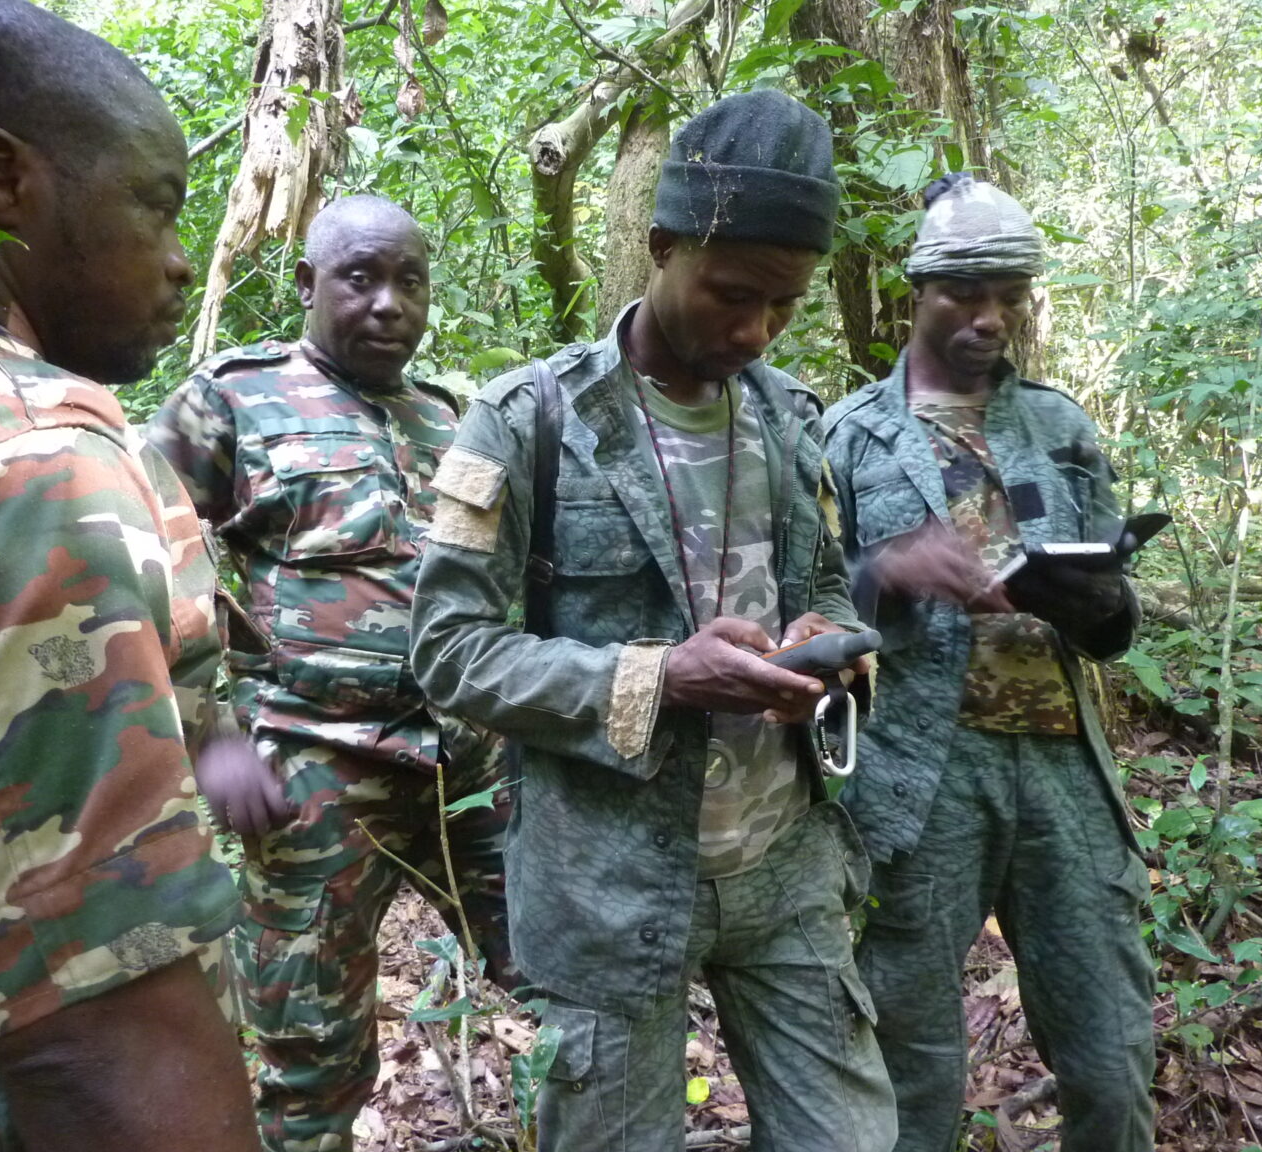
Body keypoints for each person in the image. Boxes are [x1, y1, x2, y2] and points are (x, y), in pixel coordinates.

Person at [409, 90, 897, 1152]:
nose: (754, 330)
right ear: (659, 244)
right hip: (605, 887)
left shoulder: (790, 416)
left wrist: (829, 649)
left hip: (785, 868)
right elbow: (447, 654)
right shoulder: (528, 419)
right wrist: (659, 678)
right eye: (731, 295)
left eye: (785, 305)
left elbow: (816, 585)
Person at [0, 2, 259, 1150]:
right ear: (3, 178)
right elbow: (103, 1035)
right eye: (159, 204)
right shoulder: (22, 463)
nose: (183, 260)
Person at [148, 195, 514, 1152]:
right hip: (317, 771)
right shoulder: (233, 396)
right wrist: (213, 734)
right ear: (309, 284)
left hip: (470, 765)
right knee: (308, 1048)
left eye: (409, 280)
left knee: (562, 977)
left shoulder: (452, 420)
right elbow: (143, 549)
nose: (389, 303)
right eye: (361, 277)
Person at [822, 173, 1156, 1152]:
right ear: (917, 291)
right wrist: (887, 568)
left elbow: (1115, 628)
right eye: (968, 293)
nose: (991, 316)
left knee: (1110, 1049)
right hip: (922, 779)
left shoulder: (1059, 429)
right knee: (911, 1060)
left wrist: (1099, 600)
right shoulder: (848, 436)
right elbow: (800, 615)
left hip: (1066, 773)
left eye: (1009, 294)